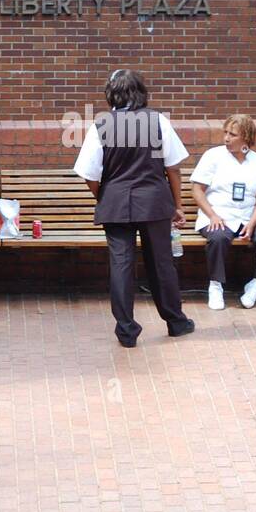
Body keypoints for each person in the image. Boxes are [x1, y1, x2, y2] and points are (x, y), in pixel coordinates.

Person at [73, 70, 195, 347]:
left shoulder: (101, 125)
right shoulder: (158, 120)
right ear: (141, 91)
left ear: (111, 94)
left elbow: (89, 174)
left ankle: (126, 331)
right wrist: (177, 205)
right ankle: (175, 321)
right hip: (154, 201)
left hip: (115, 203)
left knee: (121, 265)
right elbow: (172, 167)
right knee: (161, 263)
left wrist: (105, 196)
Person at [190, 113, 256, 311]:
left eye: (233, 134)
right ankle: (215, 285)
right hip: (217, 214)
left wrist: (252, 223)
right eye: (225, 133)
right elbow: (197, 190)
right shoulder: (213, 156)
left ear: (246, 138)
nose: (226, 138)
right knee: (218, 238)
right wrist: (212, 215)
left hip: (249, 215)